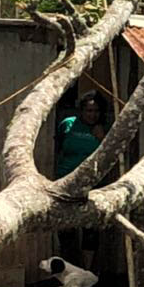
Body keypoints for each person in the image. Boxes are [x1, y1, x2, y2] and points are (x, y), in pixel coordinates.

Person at [54, 92, 106, 270]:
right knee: (66, 228)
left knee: (90, 228)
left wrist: (101, 138)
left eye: (96, 111)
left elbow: (111, 154)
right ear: (81, 111)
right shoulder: (68, 124)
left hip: (91, 184)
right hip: (65, 181)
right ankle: (67, 271)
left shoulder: (103, 130)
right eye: (89, 110)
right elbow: (58, 147)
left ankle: (87, 271)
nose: (93, 115)